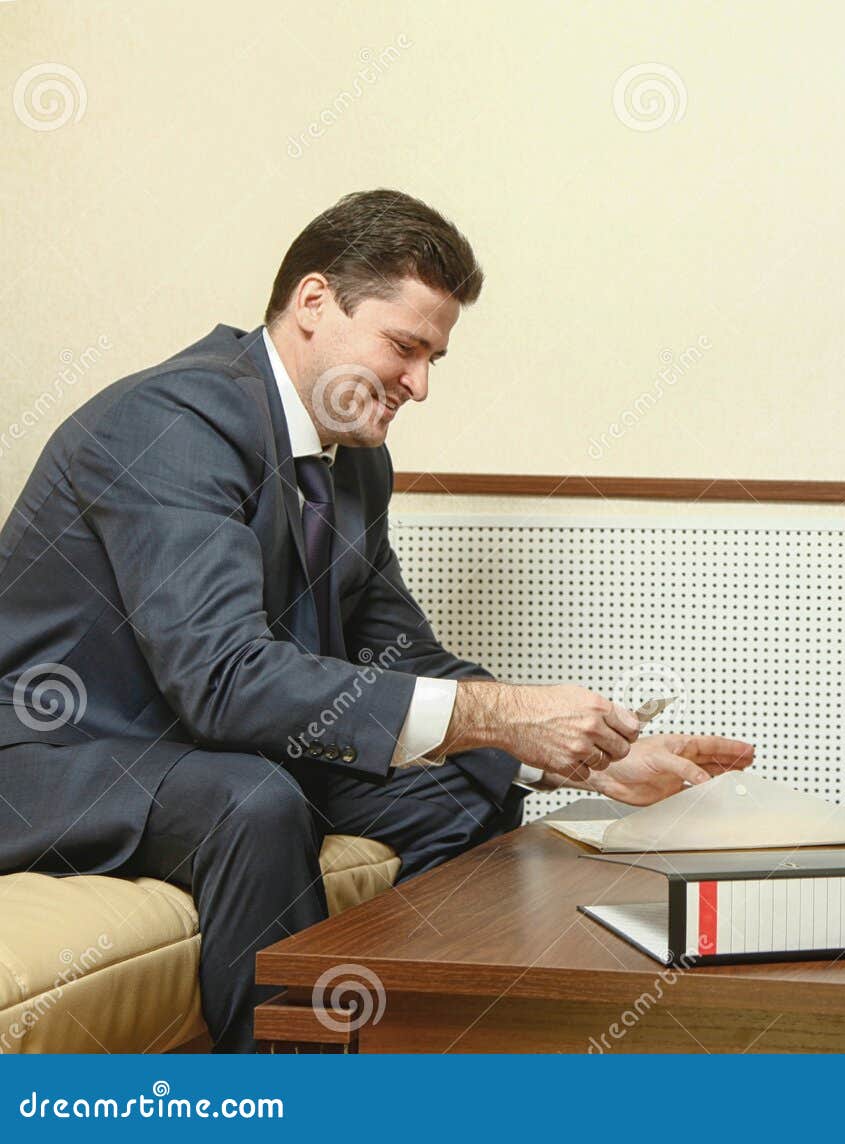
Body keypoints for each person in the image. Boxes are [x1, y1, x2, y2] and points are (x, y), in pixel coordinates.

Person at [0, 189, 753, 1051]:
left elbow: (405, 655)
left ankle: (434, 1052)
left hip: (198, 746)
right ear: (314, 303)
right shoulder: (169, 424)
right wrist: (506, 716)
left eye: (434, 356)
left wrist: (591, 753)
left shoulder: (354, 463)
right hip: (49, 759)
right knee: (251, 802)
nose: (421, 385)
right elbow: (224, 680)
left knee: (466, 783)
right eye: (405, 347)